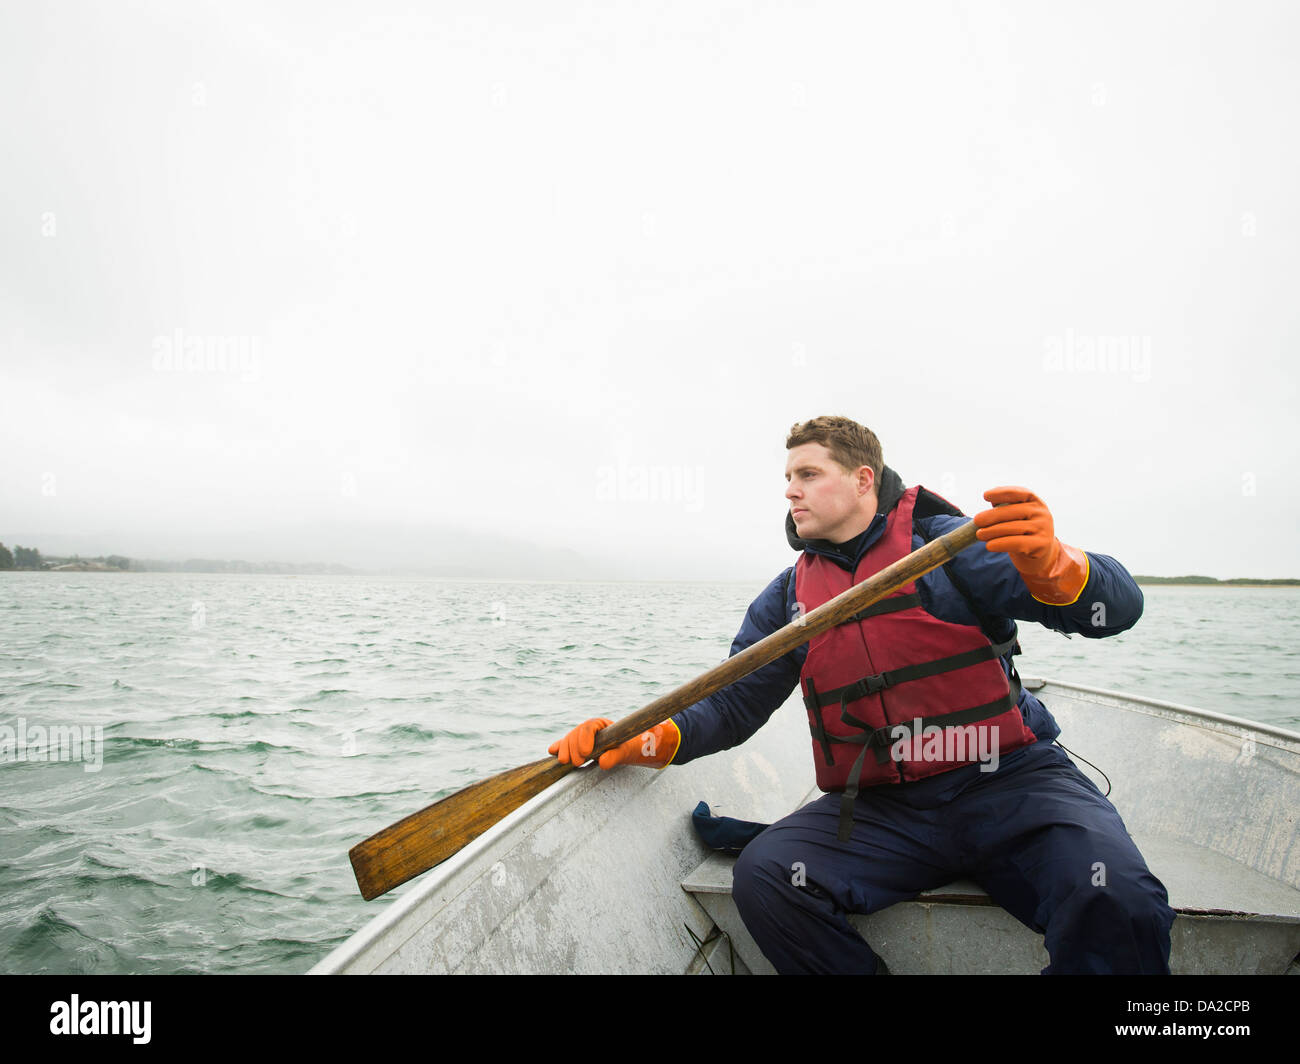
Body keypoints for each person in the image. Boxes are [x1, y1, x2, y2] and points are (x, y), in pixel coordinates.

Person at [549, 416, 1174, 974]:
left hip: (1010, 782)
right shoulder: (789, 597)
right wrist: (649, 738)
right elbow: (732, 702)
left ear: (861, 480)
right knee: (766, 876)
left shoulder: (949, 548)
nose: (789, 489)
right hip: (883, 810)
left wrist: (1060, 567)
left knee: (1116, 894)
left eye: (808, 473)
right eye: (787, 476)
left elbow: (1117, 609)